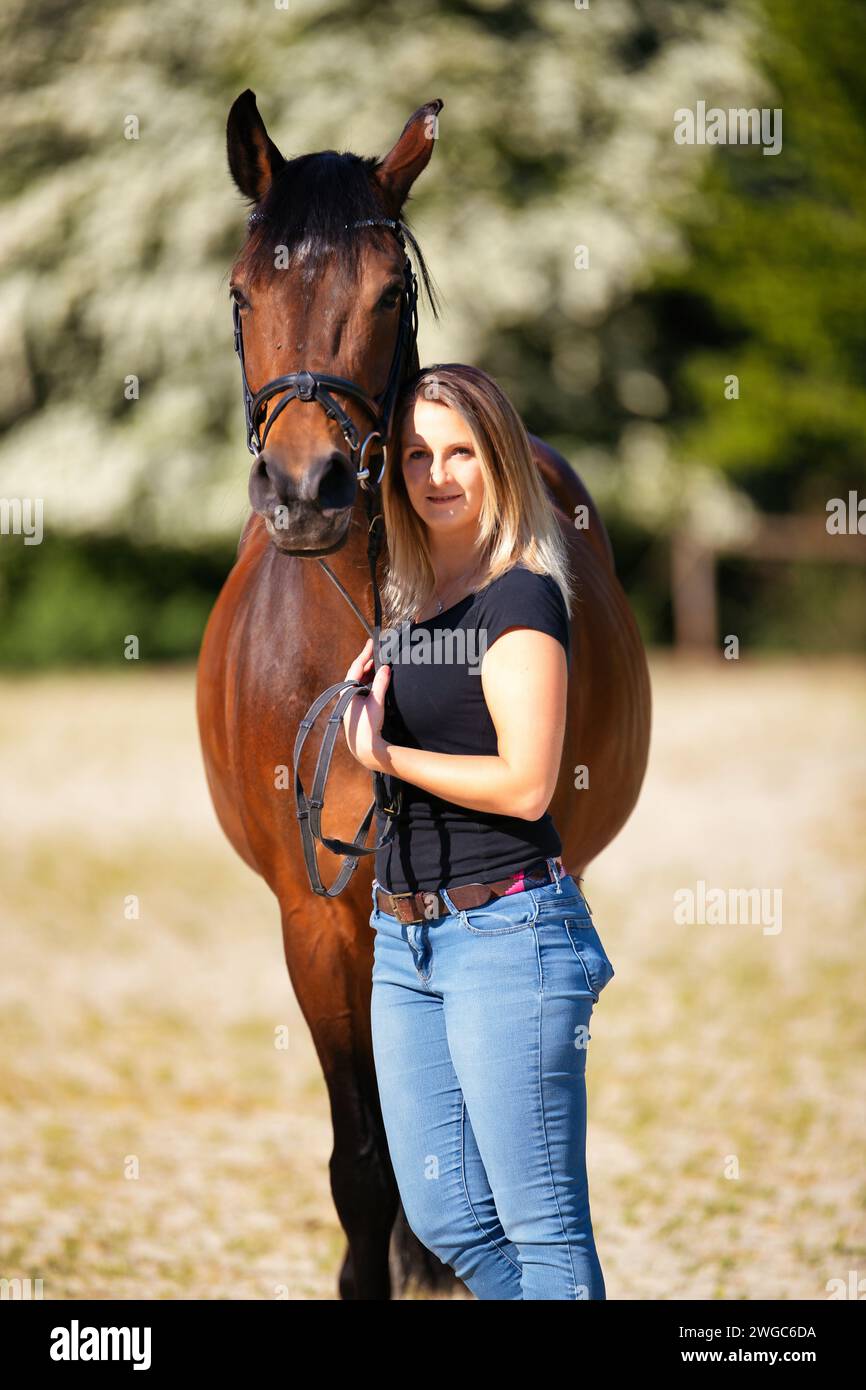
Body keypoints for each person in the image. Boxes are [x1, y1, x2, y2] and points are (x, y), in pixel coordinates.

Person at [341, 363, 616, 1300]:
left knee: (542, 1226)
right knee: (446, 1217)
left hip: (508, 935)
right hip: (403, 941)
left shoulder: (522, 597)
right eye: (416, 454)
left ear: (500, 460)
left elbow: (528, 784)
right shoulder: (414, 602)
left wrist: (389, 756)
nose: (437, 474)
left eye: (461, 452)